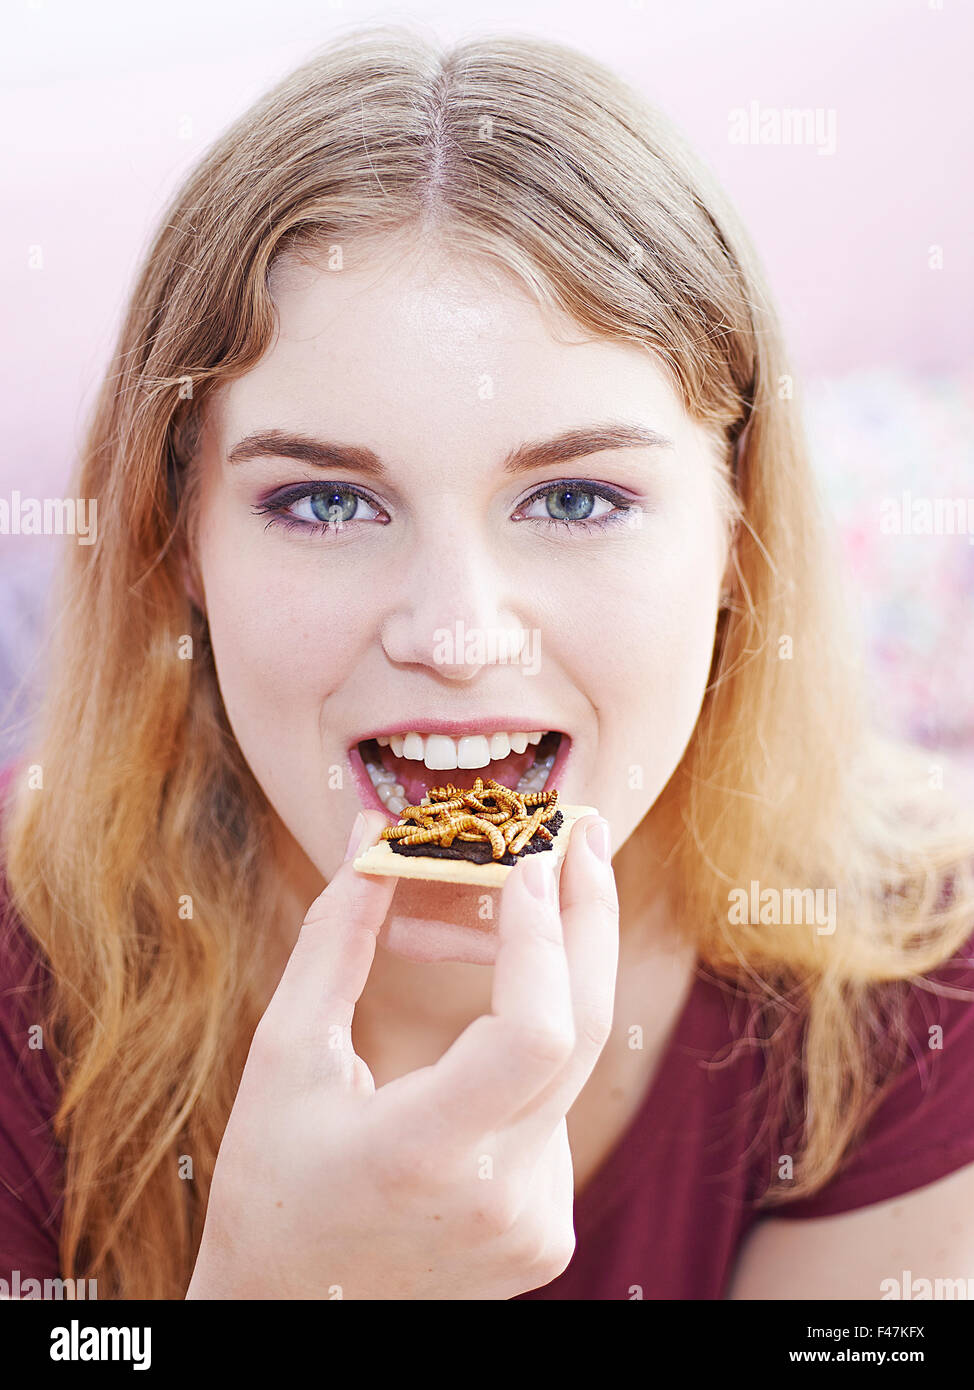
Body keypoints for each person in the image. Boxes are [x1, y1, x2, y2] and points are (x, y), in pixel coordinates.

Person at [2, 25, 973, 1302]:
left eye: (573, 499)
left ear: (736, 534)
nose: (455, 637)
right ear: (176, 541)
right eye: (324, 503)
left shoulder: (917, 972)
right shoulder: (27, 988)